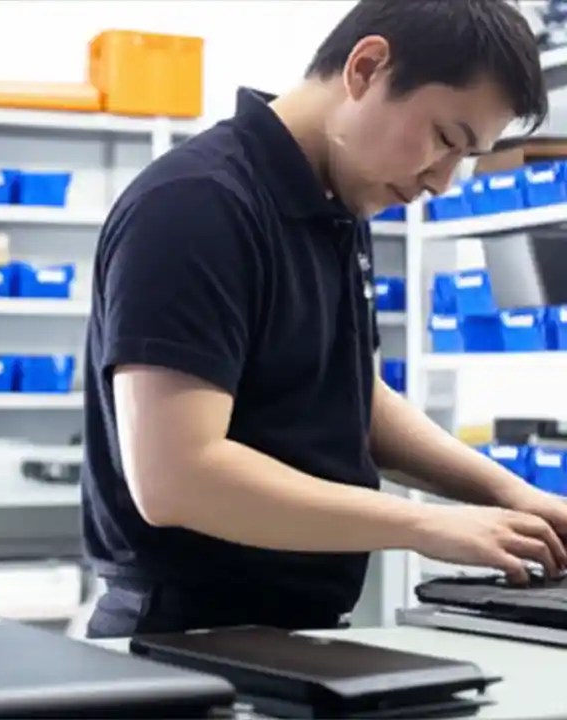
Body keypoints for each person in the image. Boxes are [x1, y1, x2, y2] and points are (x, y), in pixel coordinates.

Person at [83, 0, 567, 638]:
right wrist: (425, 524)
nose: (443, 182)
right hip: (185, 637)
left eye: (465, 157)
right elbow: (177, 477)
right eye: (446, 140)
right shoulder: (196, 206)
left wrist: (515, 496)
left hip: (295, 629)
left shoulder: (337, 201)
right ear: (366, 69)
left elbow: (351, 394)